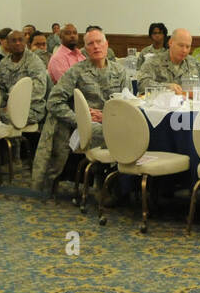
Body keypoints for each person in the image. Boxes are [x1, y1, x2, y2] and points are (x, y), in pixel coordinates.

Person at [31, 28, 129, 194]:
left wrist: (108, 116)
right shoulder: (77, 72)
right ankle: (109, 186)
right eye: (91, 44)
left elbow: (127, 103)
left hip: (112, 120)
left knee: (135, 130)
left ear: (107, 45)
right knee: (116, 133)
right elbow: (54, 102)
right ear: (85, 49)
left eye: (99, 42)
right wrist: (79, 118)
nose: (96, 47)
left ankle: (128, 186)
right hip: (85, 127)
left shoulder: (120, 72)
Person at [0, 29, 48, 159]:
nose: (17, 43)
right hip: (7, 108)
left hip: (32, 108)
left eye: (20, 40)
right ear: (7, 43)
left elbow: (38, 89)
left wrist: (14, 105)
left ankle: (10, 158)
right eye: (14, 40)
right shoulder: (4, 63)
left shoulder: (34, 61)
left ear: (26, 43)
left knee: (3, 116)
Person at [137, 28, 200, 93]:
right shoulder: (154, 61)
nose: (184, 50)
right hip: (161, 105)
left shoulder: (193, 63)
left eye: (188, 47)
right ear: (170, 43)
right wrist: (166, 87)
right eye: (181, 45)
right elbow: (142, 84)